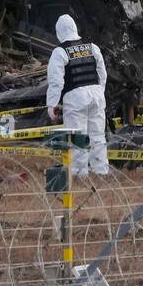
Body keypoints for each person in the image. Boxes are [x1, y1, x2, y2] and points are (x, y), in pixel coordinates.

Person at [46, 14, 110, 178]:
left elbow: (56, 82)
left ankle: (79, 174)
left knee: (77, 137)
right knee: (97, 136)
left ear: (58, 32)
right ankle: (101, 170)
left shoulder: (60, 52)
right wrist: (99, 92)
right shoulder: (92, 47)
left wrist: (51, 104)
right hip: (96, 95)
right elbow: (102, 73)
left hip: (75, 98)